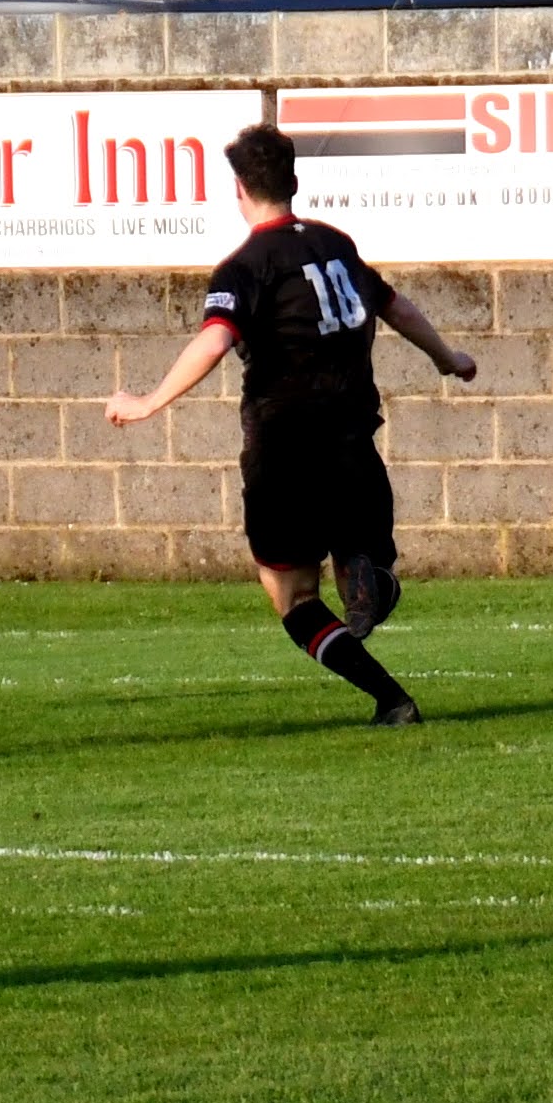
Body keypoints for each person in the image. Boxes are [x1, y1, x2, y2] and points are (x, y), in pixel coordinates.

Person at [105, 123, 477, 724]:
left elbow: (215, 339)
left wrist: (148, 402)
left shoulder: (244, 267)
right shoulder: (336, 244)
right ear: (294, 181)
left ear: (240, 191)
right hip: (353, 442)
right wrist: (447, 358)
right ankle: (370, 585)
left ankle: (390, 693)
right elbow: (397, 307)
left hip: (282, 452)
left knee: (294, 598)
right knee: (366, 557)